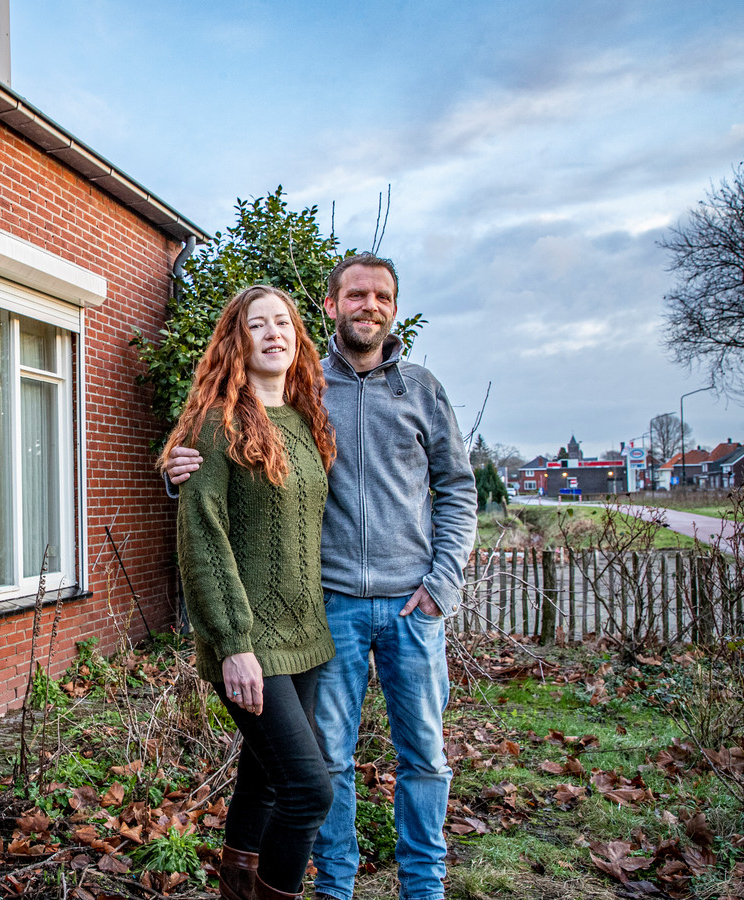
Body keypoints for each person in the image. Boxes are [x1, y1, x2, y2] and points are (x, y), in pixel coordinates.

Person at [167, 255, 476, 900]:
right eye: (355, 294)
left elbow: (457, 488)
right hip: (330, 606)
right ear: (332, 307)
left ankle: (424, 889)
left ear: (394, 308)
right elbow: (214, 494)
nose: (370, 305)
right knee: (319, 771)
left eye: (382, 296)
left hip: (405, 606)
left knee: (421, 757)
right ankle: (334, 886)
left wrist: (442, 586)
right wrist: (175, 473)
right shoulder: (309, 389)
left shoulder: (402, 390)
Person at [166, 285, 339, 900]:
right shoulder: (215, 424)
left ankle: (239, 887)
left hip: (305, 635)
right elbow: (202, 538)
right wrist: (233, 644)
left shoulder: (305, 420)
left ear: (298, 337)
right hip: (250, 641)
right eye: (258, 324)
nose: (274, 334)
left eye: (284, 323)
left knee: (266, 778)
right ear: (237, 341)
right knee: (309, 791)